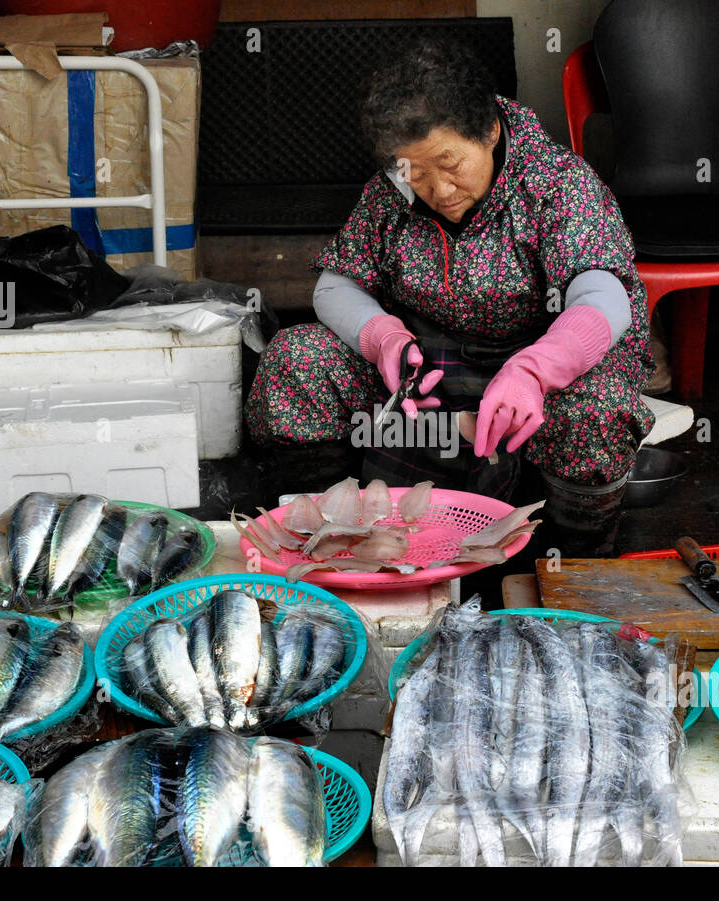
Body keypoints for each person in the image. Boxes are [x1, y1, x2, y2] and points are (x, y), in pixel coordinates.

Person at [245, 39, 655, 554]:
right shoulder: (391, 193)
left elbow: (603, 297)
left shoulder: (559, 185)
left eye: (448, 162)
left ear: (488, 131)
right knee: (297, 358)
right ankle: (331, 536)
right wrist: (383, 338)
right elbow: (337, 284)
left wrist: (533, 371)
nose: (437, 190)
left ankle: (573, 564)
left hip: (536, 379)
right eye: (414, 170)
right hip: (427, 381)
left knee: (596, 405)